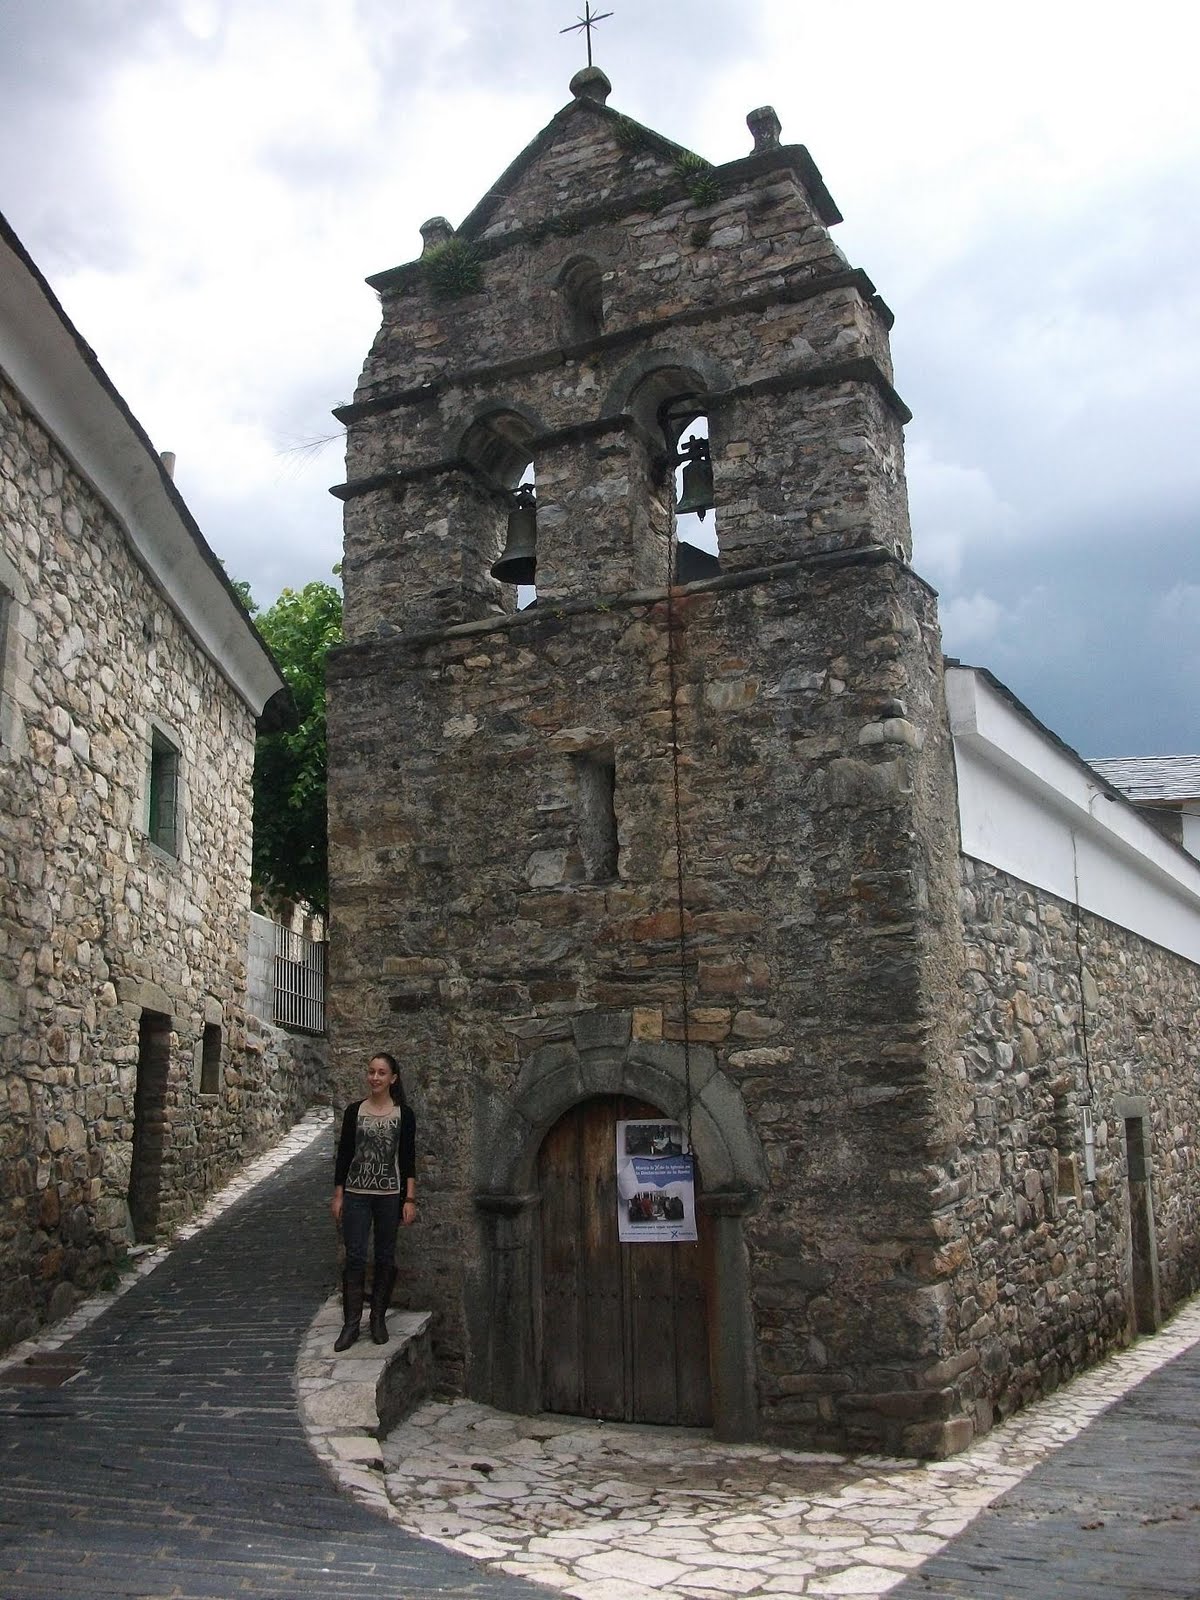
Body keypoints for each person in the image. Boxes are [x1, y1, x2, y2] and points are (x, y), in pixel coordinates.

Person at [331, 1051, 416, 1350]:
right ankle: (351, 1324)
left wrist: (410, 1199)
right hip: (356, 1193)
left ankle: (377, 1319)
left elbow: (407, 1159)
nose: (375, 1078)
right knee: (354, 1256)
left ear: (393, 1078)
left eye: (381, 1073)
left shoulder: (403, 1114)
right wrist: (339, 1194)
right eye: (371, 1072)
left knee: (384, 1256)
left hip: (389, 1195)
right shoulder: (355, 1112)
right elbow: (344, 1155)